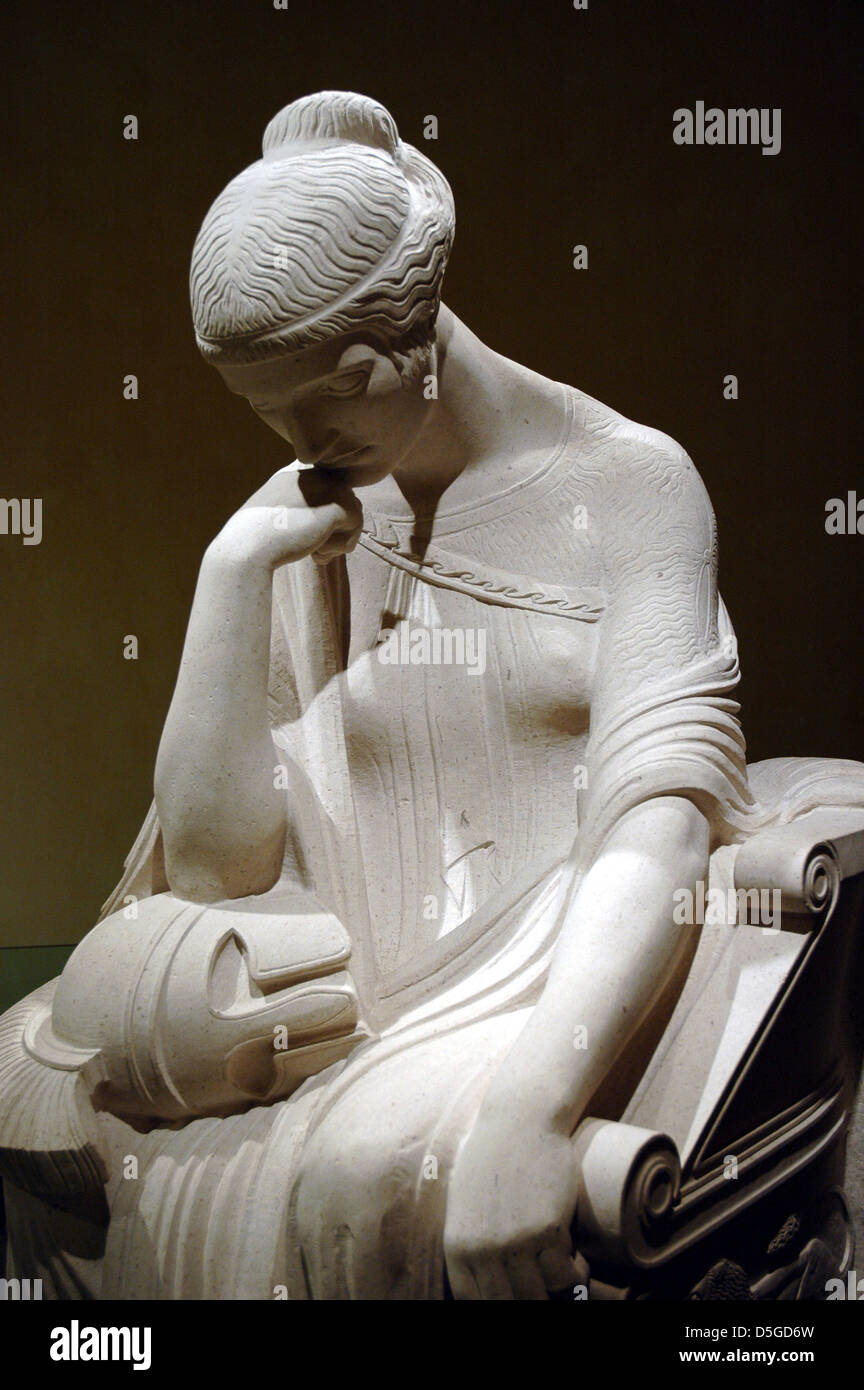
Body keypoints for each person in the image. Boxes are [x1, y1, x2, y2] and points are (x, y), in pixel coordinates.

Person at [3, 91, 863, 1300]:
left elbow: (656, 820)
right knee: (40, 1071)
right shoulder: (309, 508)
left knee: (363, 1175)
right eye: (263, 409)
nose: (301, 435)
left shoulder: (630, 486)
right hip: (335, 972)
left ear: (418, 325)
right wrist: (231, 574)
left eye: (331, 389)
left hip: (550, 958)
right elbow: (212, 872)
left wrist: (534, 1104)